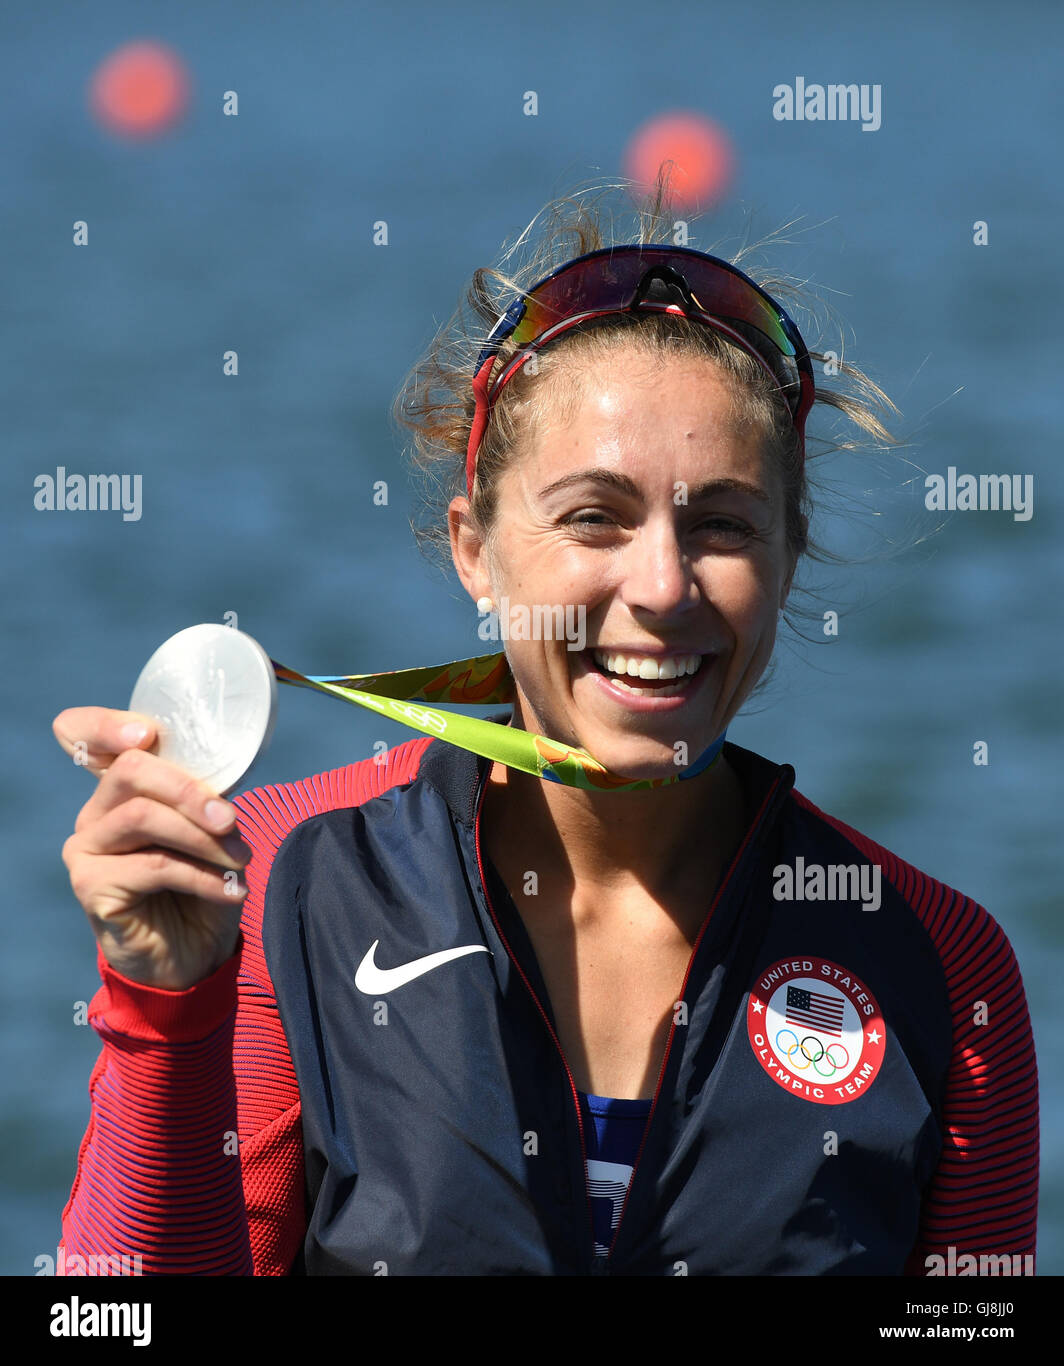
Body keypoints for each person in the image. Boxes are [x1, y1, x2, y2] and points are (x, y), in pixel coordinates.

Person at [53, 182, 1038, 1276]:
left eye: (719, 523)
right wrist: (162, 1008)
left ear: (785, 556)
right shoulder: (289, 882)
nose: (662, 586)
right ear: (474, 548)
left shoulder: (940, 965)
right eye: (592, 518)